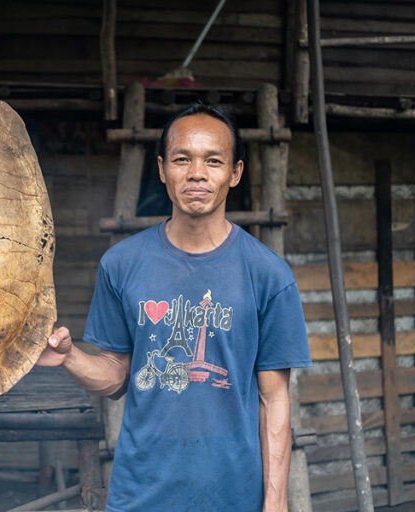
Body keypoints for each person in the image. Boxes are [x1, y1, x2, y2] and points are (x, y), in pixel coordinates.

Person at [36, 102, 312, 512]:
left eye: (213, 161)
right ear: (163, 169)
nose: (197, 173)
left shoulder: (268, 274)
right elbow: (115, 377)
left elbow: (274, 401)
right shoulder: (122, 264)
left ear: (235, 172)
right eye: (183, 159)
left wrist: (276, 503)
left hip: (234, 496)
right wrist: (69, 357)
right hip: (141, 494)